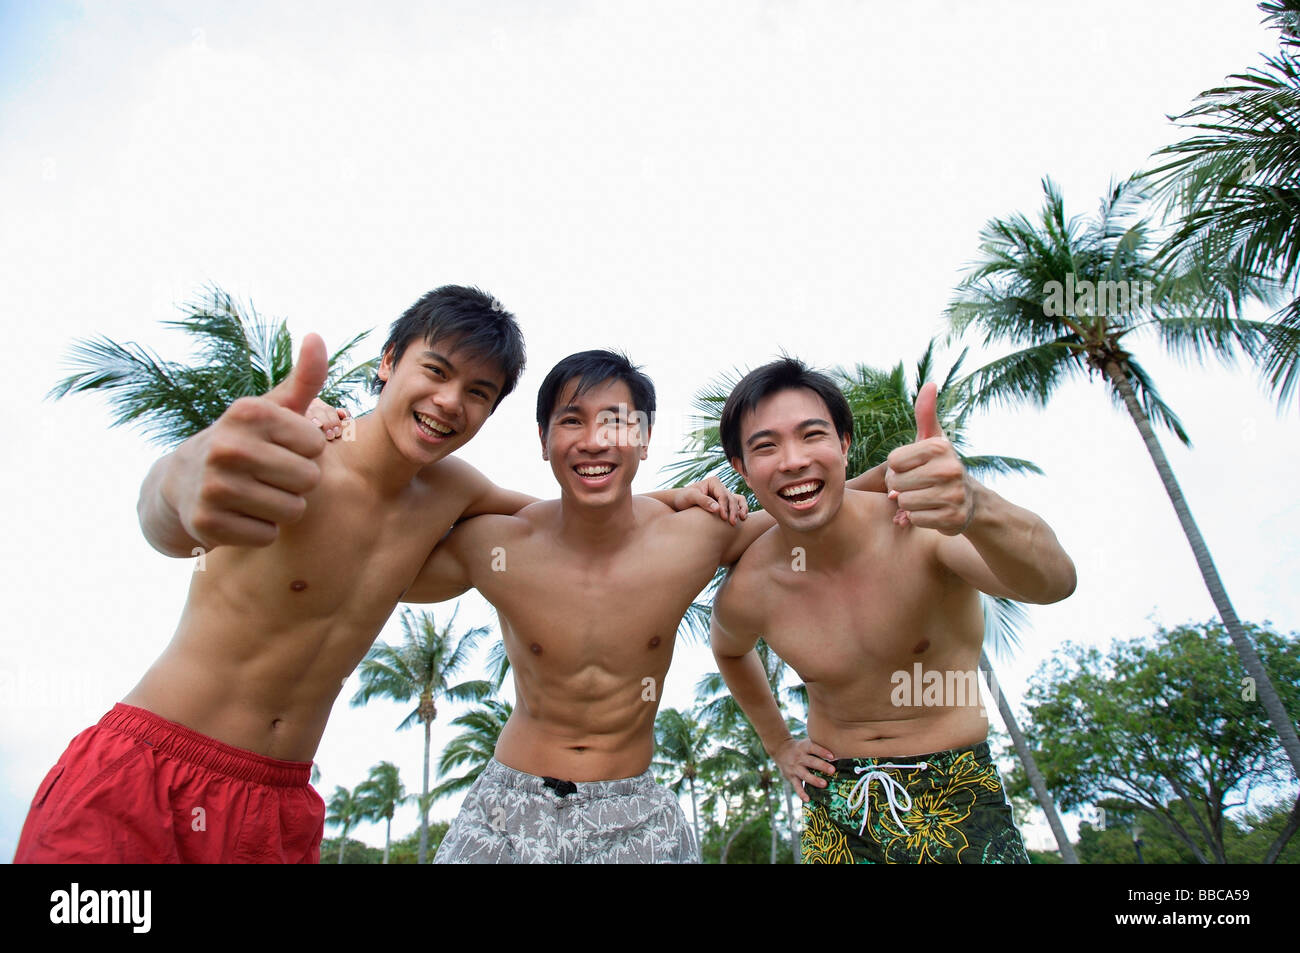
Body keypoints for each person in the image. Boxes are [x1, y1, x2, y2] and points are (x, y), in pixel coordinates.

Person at [17, 287, 538, 862]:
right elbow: (164, 508)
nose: (448, 401)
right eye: (435, 371)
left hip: (277, 810)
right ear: (388, 360)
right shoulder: (298, 451)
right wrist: (177, 485)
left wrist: (655, 506)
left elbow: (563, 522)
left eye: (477, 393)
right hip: (149, 776)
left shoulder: (456, 491)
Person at [398, 349, 887, 863]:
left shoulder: (696, 537)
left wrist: (909, 469)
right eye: (571, 422)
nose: (594, 441)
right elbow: (375, 573)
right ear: (543, 441)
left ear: (644, 440)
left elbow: (824, 504)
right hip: (508, 812)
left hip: (632, 817)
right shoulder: (495, 545)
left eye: (616, 423)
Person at [708, 357, 1076, 864]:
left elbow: (1054, 582)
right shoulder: (752, 587)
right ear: (741, 469)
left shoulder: (919, 528)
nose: (792, 461)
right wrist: (779, 744)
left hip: (956, 792)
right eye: (765, 446)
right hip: (838, 806)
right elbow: (729, 651)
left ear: (843, 444)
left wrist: (975, 505)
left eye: (812, 435)